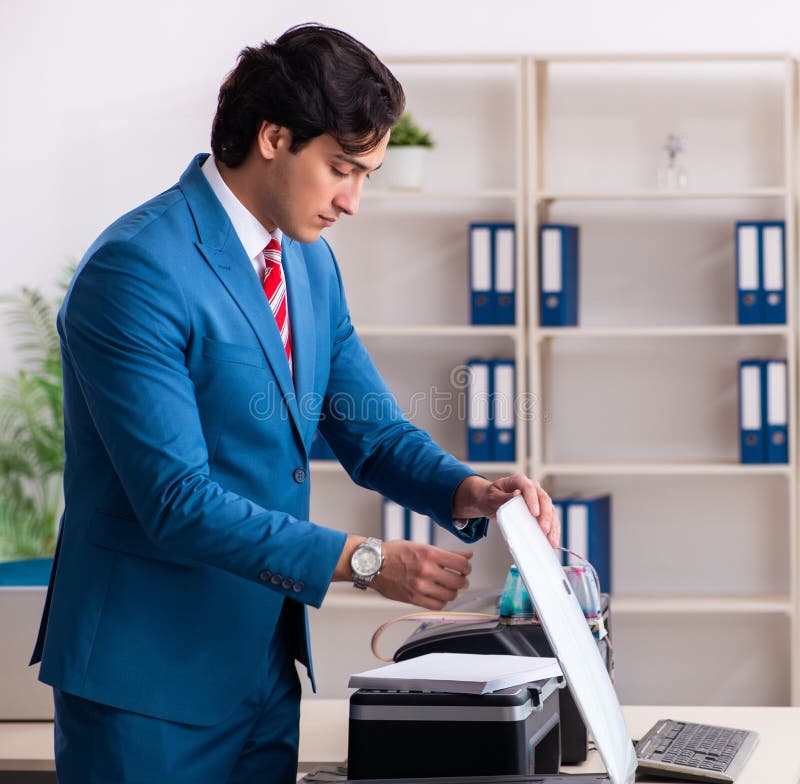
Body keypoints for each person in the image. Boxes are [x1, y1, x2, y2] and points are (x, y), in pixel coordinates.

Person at [31, 23, 559, 784]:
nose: (354, 200)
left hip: (264, 673)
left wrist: (469, 489)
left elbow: (371, 433)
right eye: (343, 168)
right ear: (274, 136)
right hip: (146, 682)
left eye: (368, 173)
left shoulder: (307, 264)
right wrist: (368, 561)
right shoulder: (138, 269)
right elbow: (177, 501)